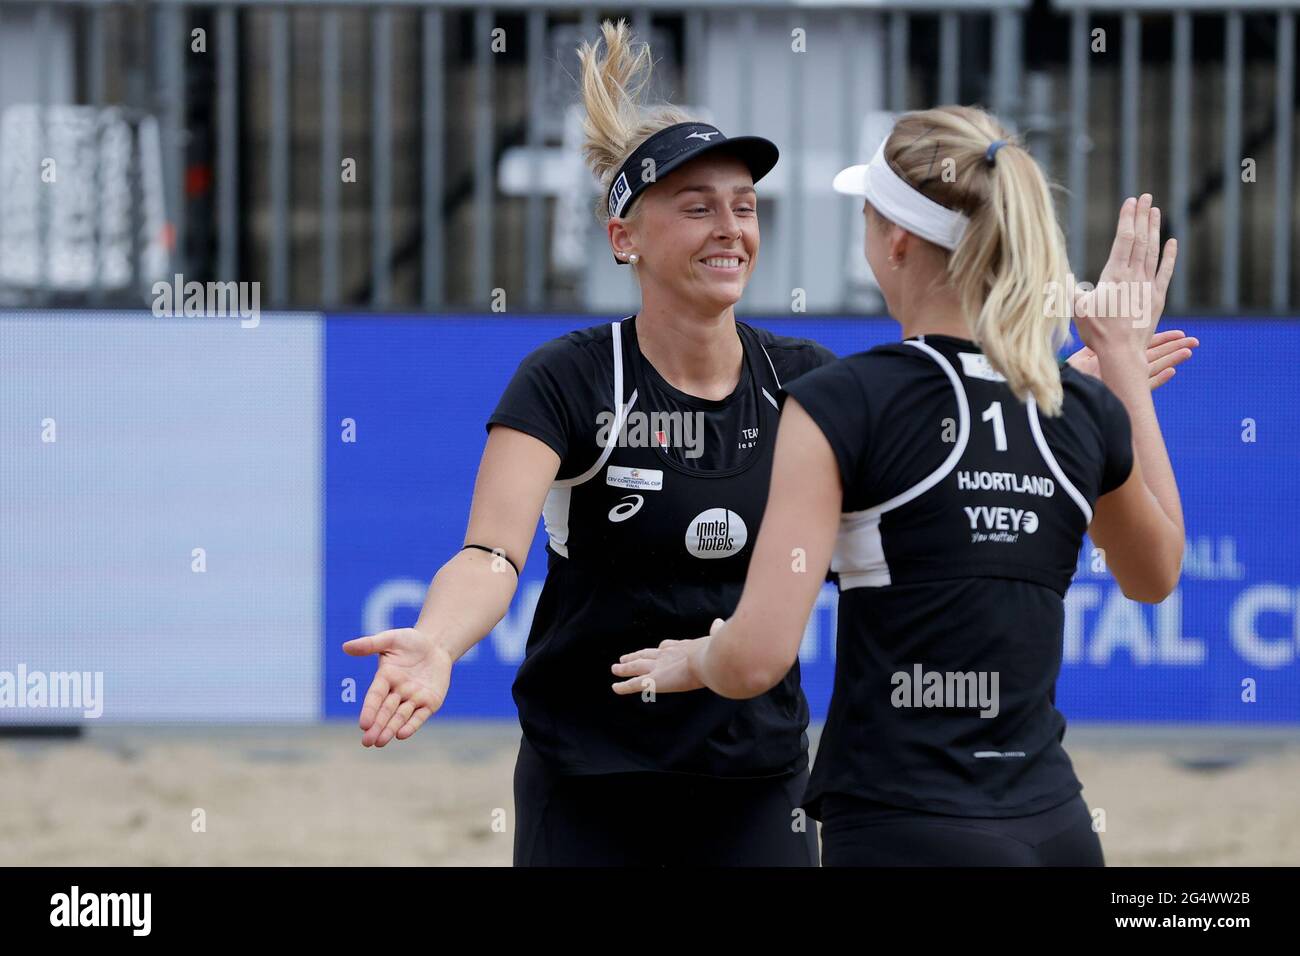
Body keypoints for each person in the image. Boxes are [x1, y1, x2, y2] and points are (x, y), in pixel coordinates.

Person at [611, 105, 1189, 867]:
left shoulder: (844, 400)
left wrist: (694, 659)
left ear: (895, 241)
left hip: (907, 826)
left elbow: (757, 658)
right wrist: (1121, 363)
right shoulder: (1074, 405)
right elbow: (1156, 575)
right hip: (1058, 828)